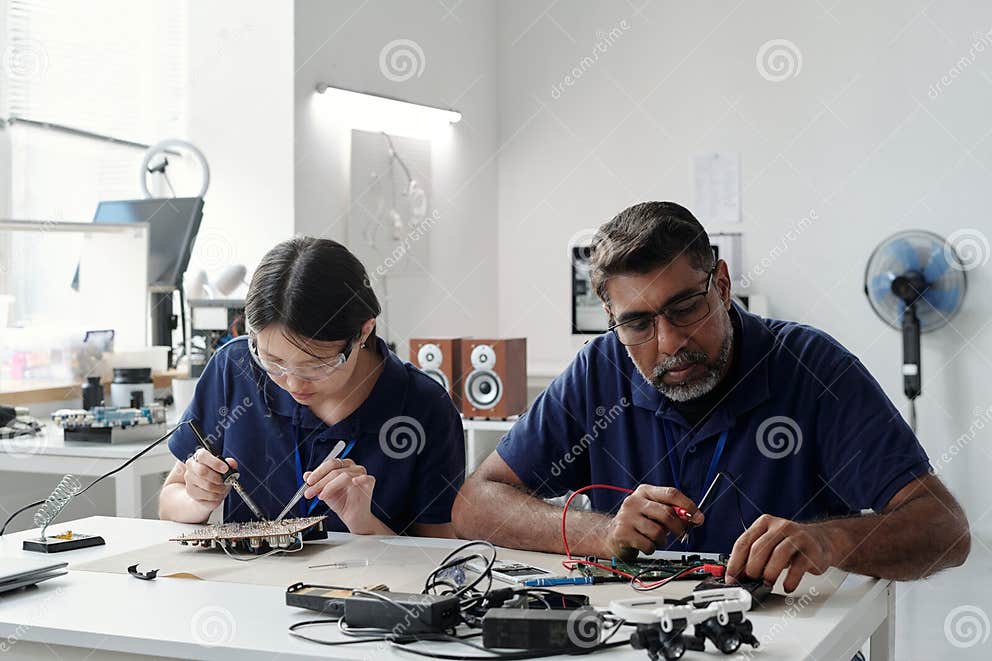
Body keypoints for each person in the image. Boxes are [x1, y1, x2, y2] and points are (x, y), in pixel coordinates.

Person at [453, 201, 970, 592]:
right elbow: (475, 503)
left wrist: (829, 540)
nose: (669, 342)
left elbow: (945, 530)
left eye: (684, 309)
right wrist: (602, 534)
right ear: (612, 320)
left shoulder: (813, 369)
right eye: (637, 324)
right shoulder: (600, 369)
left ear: (721, 285)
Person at [159, 237, 464, 537]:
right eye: (273, 361)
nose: (293, 383)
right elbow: (170, 499)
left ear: (363, 332)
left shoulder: (424, 406)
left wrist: (364, 523)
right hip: (247, 571)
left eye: (316, 365)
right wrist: (198, 499)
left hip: (368, 573)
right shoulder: (234, 368)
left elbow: (439, 554)